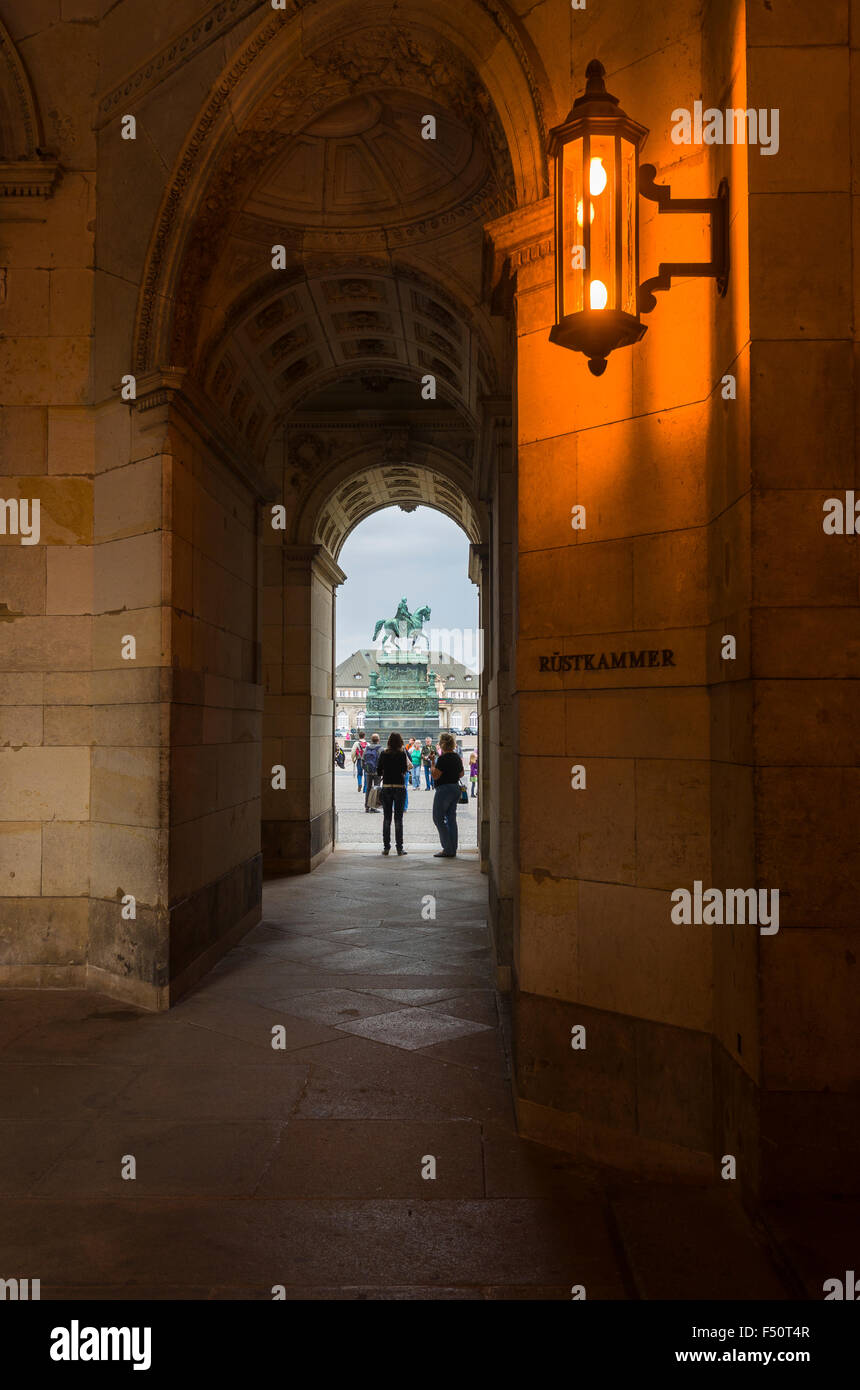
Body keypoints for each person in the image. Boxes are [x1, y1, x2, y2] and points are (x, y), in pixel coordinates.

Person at [431, 732, 464, 858]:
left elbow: (435, 775)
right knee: (451, 818)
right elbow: (461, 774)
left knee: (438, 818)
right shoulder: (456, 757)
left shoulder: (443, 758)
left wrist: (433, 763)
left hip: (444, 790)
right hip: (455, 789)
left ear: (443, 744)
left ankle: (447, 848)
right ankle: (453, 848)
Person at [377, 732, 408, 855]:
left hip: (387, 786)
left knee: (387, 818)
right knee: (398, 819)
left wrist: (386, 771)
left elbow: (379, 771)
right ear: (400, 742)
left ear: (389, 741)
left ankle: (386, 847)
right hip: (399, 787)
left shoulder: (384, 753)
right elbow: (404, 770)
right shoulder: (401, 754)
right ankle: (399, 848)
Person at [362, 733, 382, 811]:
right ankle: (374, 806)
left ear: (371, 740)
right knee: (376, 788)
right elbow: (383, 761)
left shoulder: (367, 748)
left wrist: (365, 769)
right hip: (377, 771)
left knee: (368, 788)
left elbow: (363, 760)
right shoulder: (380, 749)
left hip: (368, 771)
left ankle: (367, 806)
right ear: (378, 740)